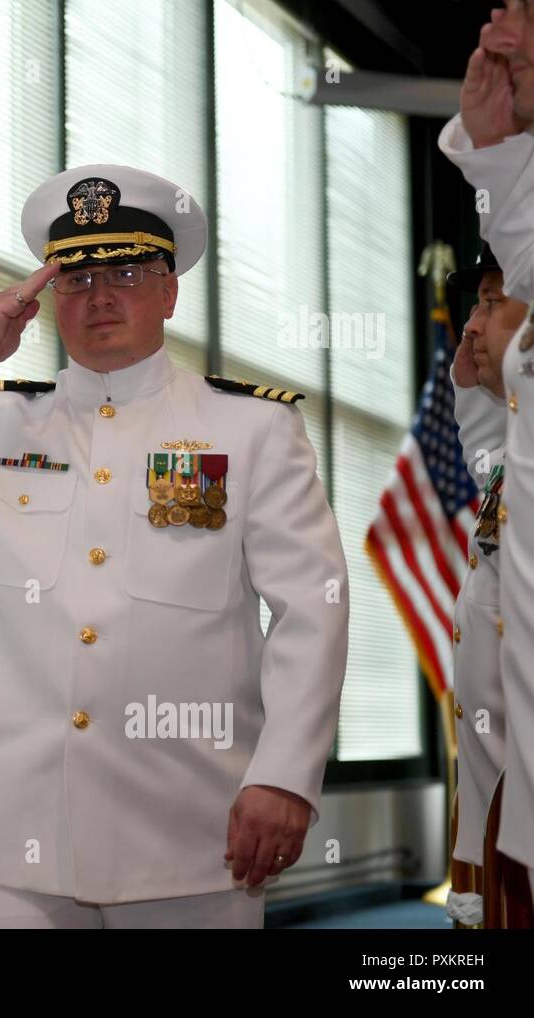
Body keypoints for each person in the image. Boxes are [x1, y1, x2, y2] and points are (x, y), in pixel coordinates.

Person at [0, 164, 349, 928]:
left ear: (169, 292)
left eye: (128, 273)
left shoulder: (251, 430)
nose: (100, 297)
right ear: (47, 299)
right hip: (16, 840)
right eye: (75, 279)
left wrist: (287, 776)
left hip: (192, 830)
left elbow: (311, 608)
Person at [438, 0, 534, 898]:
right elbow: (498, 477)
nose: (477, 319)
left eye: (494, 299)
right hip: (502, 769)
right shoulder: (510, 427)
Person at [448, 244, 524, 907]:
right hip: (496, 814)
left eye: (491, 302)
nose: (470, 324)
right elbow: (481, 439)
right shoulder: (512, 454)